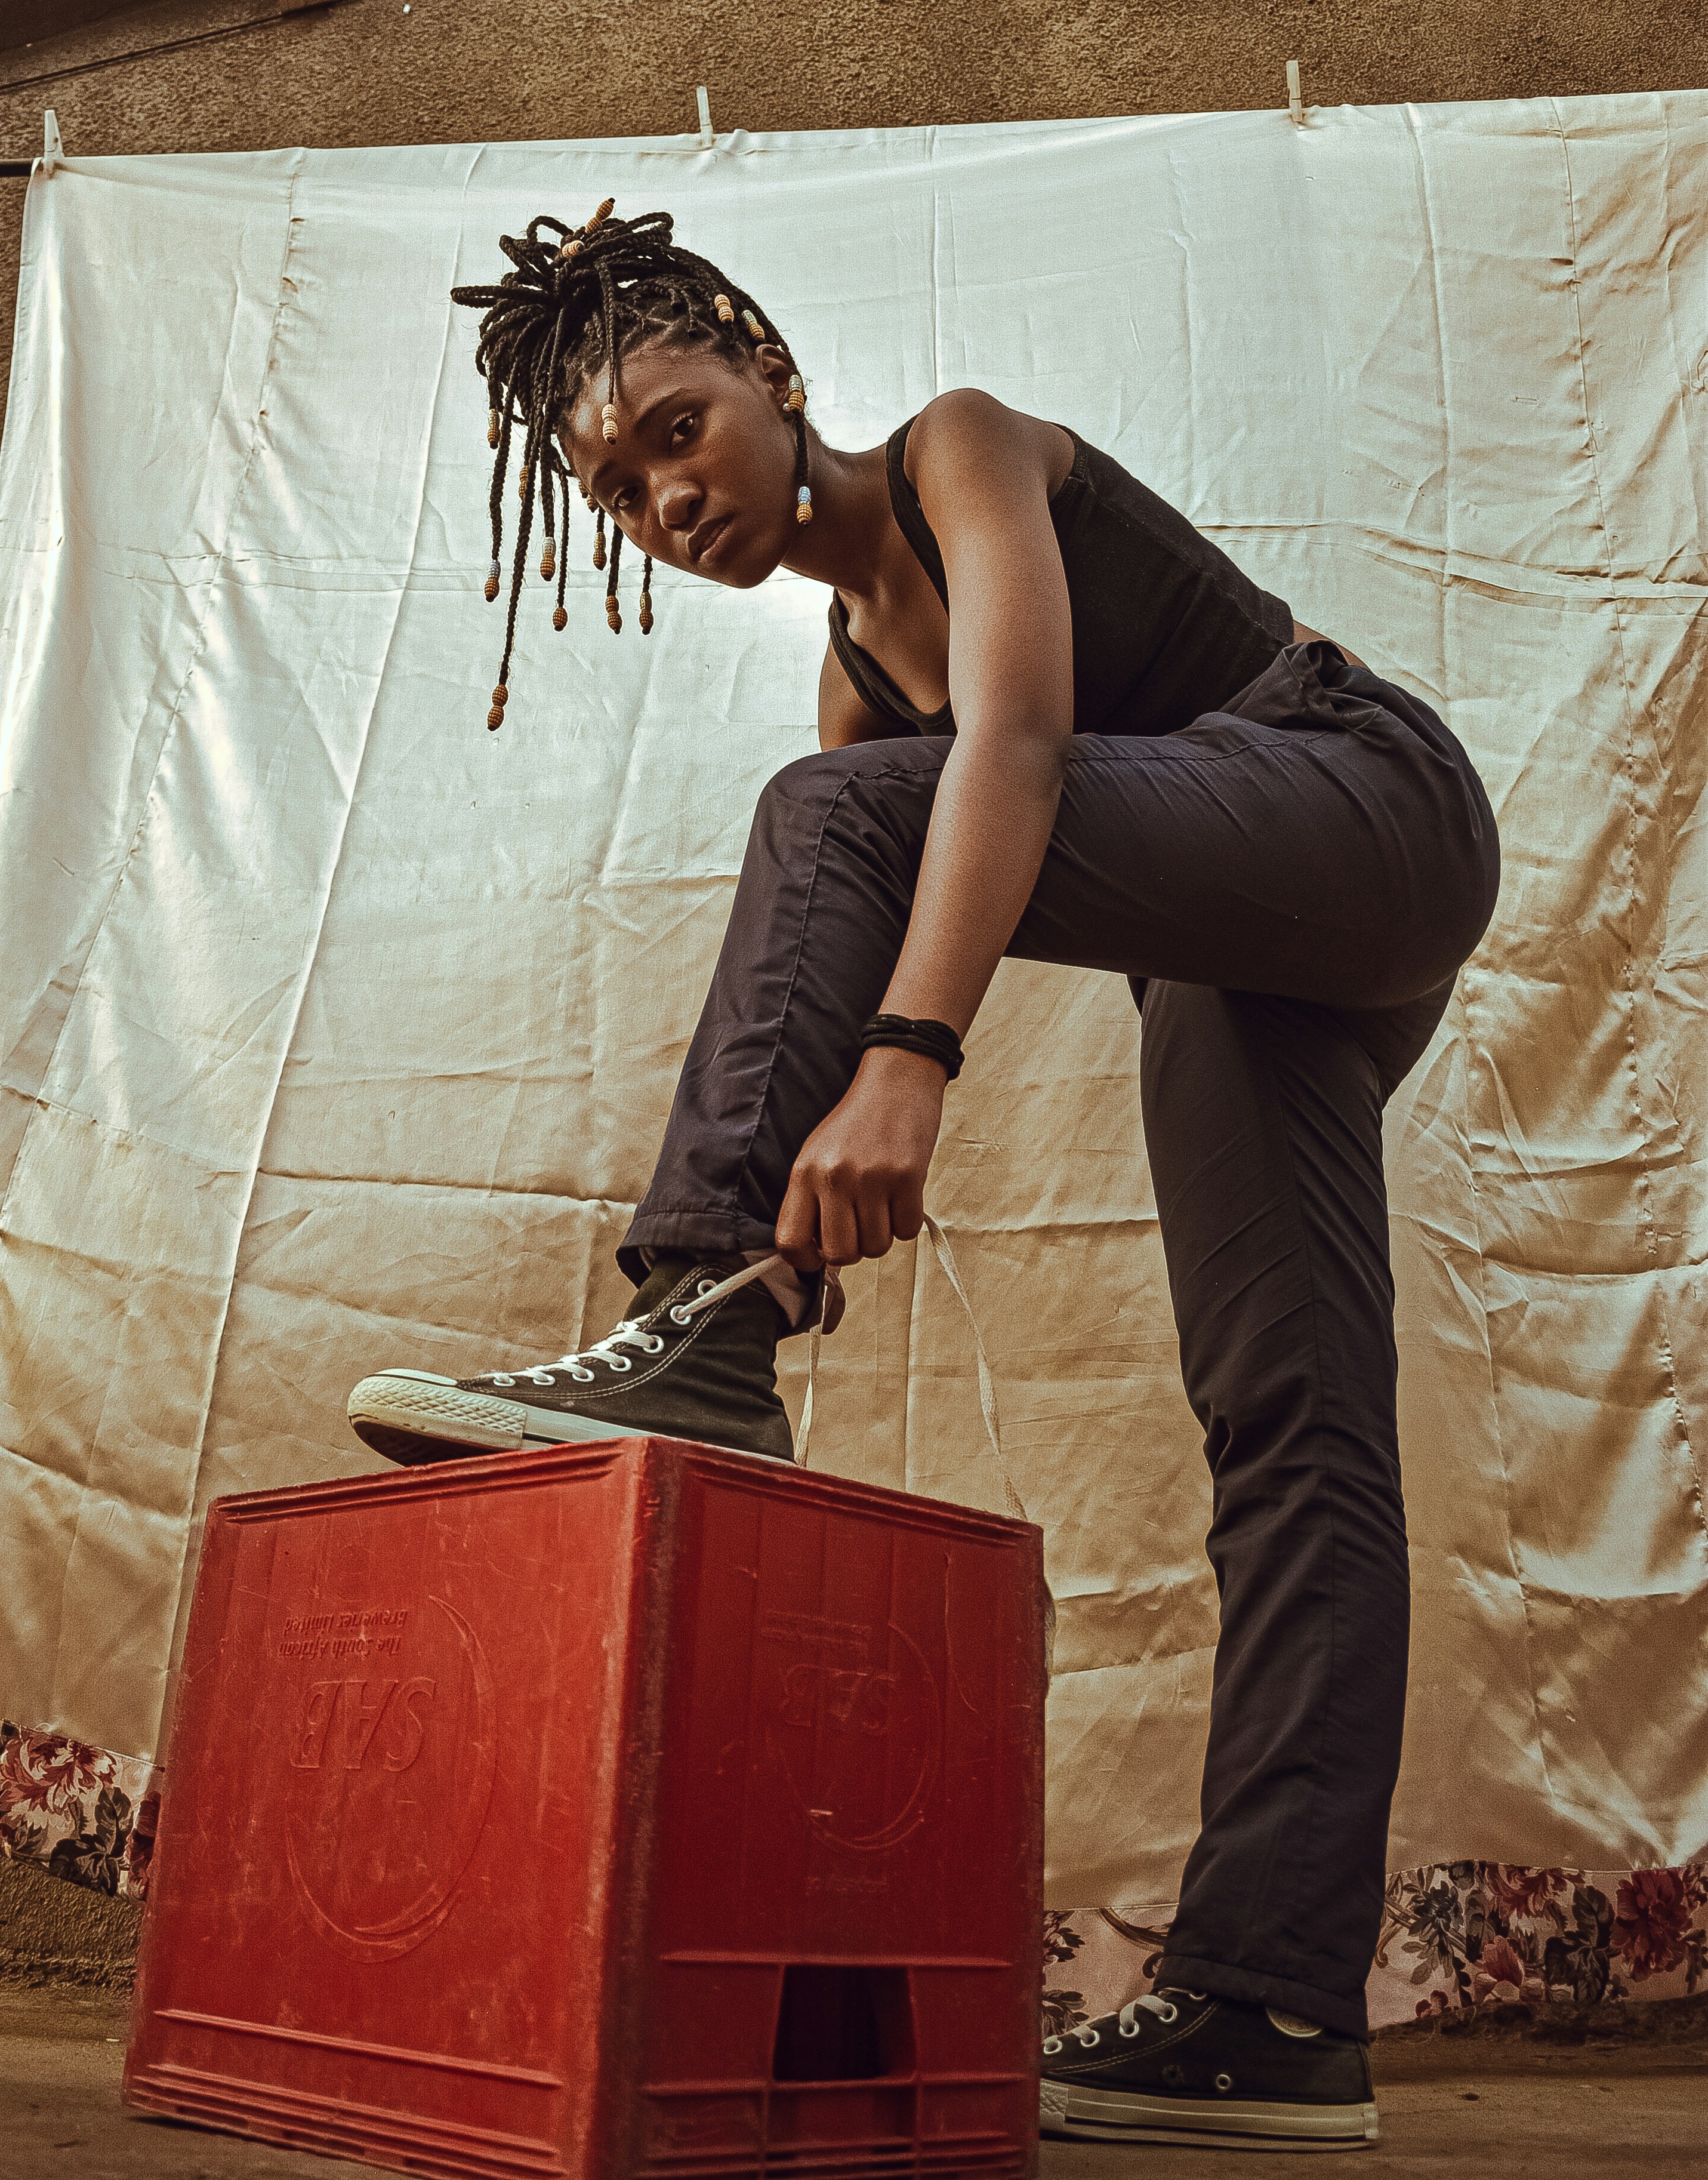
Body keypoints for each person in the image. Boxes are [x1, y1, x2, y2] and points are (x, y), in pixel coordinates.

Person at [346, 202, 1499, 2149]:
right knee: (1290, 1424)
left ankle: (698, 1319)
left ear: (773, 379)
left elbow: (1025, 749)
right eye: (616, 491)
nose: (663, 498)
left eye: (680, 429)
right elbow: (881, 931)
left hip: (1362, 802)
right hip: (1238, 959)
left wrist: (908, 1063)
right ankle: (1278, 2008)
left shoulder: (962, 452)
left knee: (840, 818)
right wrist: (837, 1176)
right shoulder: (858, 701)